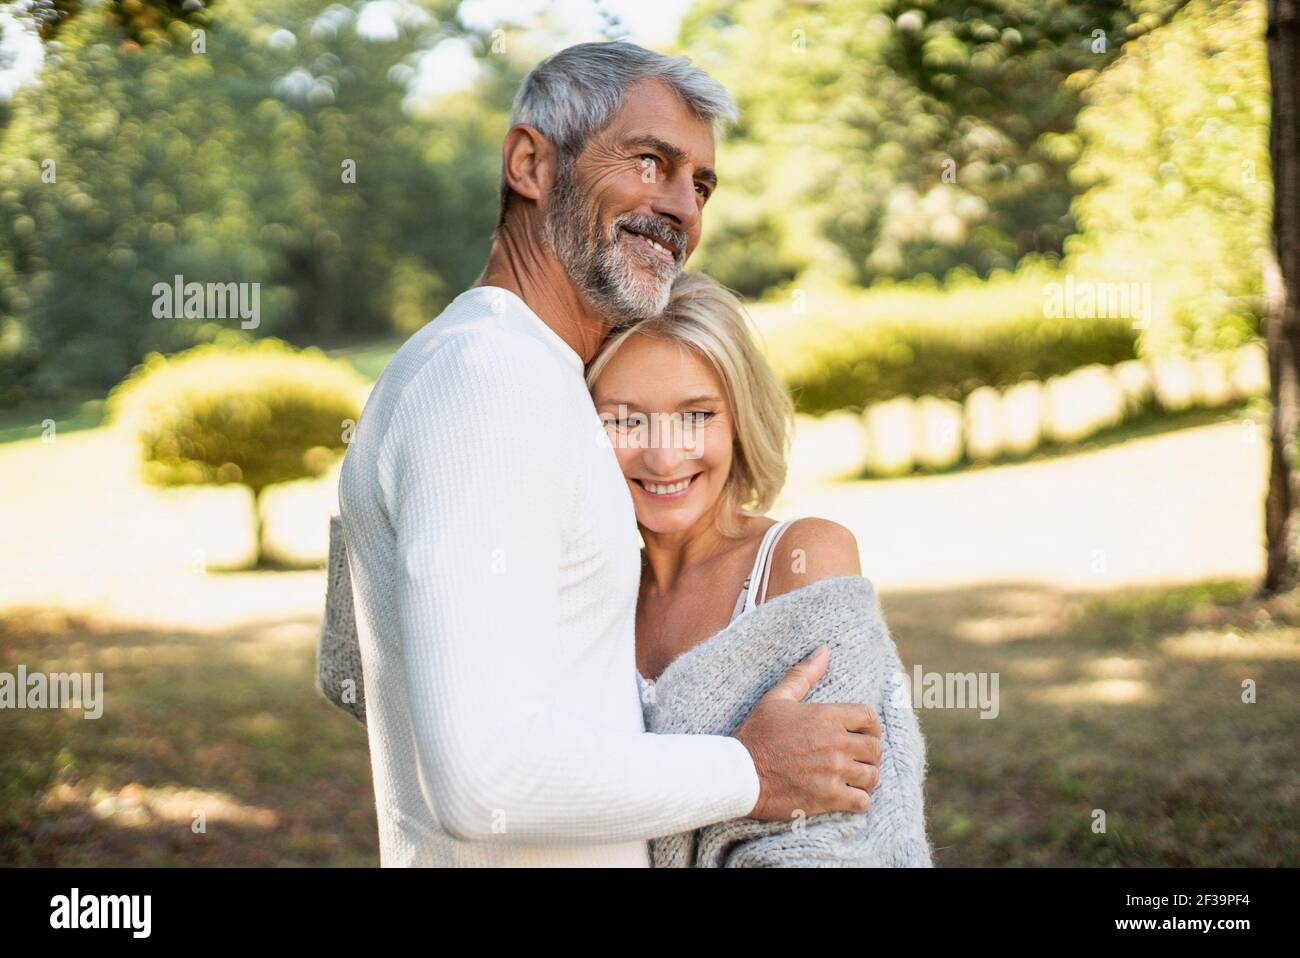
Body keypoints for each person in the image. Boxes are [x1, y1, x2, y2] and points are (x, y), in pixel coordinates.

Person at [336, 40, 882, 867]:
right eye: (650, 162)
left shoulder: (506, 371)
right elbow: (484, 780)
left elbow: (351, 672)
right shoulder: (491, 377)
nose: (681, 209)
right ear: (530, 162)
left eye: (700, 184)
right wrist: (750, 769)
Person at [588, 272, 933, 866]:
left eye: (697, 415)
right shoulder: (591, 590)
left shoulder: (805, 557)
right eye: (625, 419)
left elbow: (825, 833)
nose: (664, 456)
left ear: (738, 420)